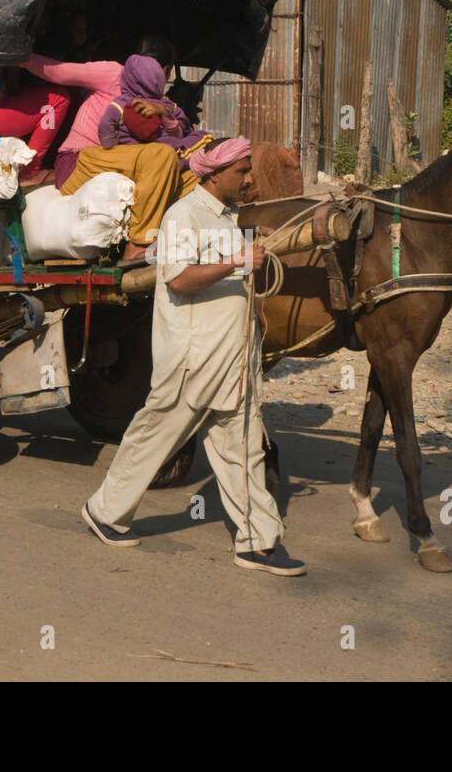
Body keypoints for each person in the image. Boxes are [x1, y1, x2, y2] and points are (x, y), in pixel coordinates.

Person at [81, 136, 306, 576]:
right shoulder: (183, 215)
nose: (248, 179)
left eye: (248, 170)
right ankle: (105, 511)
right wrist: (239, 261)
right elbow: (180, 278)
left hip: (232, 359)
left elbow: (224, 251)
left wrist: (250, 241)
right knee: (154, 435)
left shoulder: (226, 217)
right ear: (215, 173)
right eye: (241, 171)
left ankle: (257, 543)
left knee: (242, 447)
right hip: (193, 357)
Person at [23, 37, 185, 260]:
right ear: (165, 71)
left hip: (113, 163)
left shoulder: (159, 101)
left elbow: (179, 136)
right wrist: (22, 58)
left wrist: (165, 115)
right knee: (162, 155)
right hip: (78, 163)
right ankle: (139, 244)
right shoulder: (114, 74)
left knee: (183, 166)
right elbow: (60, 73)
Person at [98, 54, 215, 196]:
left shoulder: (118, 105)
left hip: (134, 158)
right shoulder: (164, 105)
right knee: (204, 137)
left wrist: (116, 152)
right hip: (166, 156)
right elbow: (178, 134)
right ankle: (178, 163)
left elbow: (105, 127)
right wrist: (165, 113)